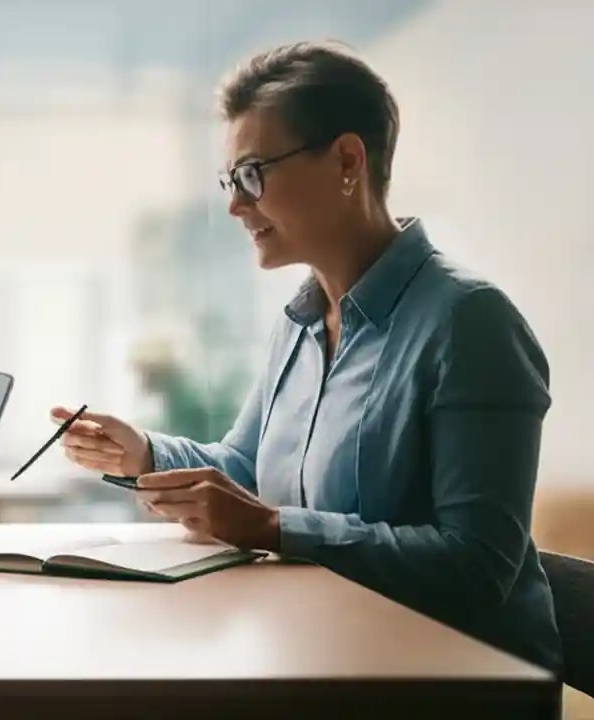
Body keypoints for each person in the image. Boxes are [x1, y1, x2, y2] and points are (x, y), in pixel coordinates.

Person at [53, 41, 560, 672]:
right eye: (230, 180)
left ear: (347, 161)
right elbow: (247, 467)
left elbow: (477, 565)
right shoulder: (300, 322)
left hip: (457, 681)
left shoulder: (470, 323)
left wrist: (274, 529)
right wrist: (145, 454)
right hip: (332, 652)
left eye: (252, 174)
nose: (236, 204)